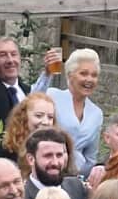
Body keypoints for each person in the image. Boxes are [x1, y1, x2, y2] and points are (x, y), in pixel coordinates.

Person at [32, 47, 104, 175]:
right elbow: (31, 103)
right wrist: (47, 73)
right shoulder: (52, 96)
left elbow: (91, 156)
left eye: (94, 75)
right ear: (70, 75)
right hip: (46, 167)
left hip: (75, 176)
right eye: (83, 73)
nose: (89, 79)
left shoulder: (96, 113)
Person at [21, 128, 88, 199]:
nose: (55, 162)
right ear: (31, 159)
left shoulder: (76, 187)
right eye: (48, 156)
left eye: (59, 155)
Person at [0, 91, 58, 165]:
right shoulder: (6, 151)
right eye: (39, 116)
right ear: (24, 117)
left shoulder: (58, 150)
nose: (45, 122)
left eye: (50, 117)